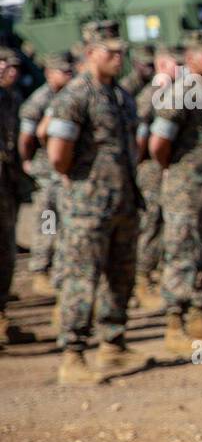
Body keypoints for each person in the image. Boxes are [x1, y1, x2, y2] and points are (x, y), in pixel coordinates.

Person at [45, 21, 153, 383]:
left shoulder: (121, 97)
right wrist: (81, 185)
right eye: (111, 52)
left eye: (121, 51)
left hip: (123, 201)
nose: (118, 58)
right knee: (81, 277)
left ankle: (113, 343)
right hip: (87, 206)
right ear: (91, 53)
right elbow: (58, 155)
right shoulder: (75, 96)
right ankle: (73, 354)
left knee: (120, 275)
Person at [149, 31, 202, 356]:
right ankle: (174, 326)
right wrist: (178, 173)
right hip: (186, 192)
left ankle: (200, 320)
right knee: (183, 257)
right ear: (190, 58)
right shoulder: (180, 92)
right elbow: (159, 144)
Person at [18, 51, 75, 299]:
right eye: (63, 71)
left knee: (60, 222)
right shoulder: (39, 100)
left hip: (60, 172)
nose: (68, 74)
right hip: (46, 174)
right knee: (48, 221)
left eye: (69, 70)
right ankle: (41, 268)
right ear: (49, 73)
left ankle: (57, 269)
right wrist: (28, 161)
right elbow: (29, 137)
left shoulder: (67, 96)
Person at [132, 46, 178, 311]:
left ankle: (155, 274)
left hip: (164, 169)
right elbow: (140, 135)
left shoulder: (177, 91)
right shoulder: (153, 94)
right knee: (150, 224)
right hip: (150, 170)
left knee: (163, 223)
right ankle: (141, 280)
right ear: (161, 64)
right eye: (174, 63)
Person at [0, 48, 37, 350]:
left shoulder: (12, 99)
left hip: (6, 186)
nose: (10, 71)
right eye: (4, 65)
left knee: (6, 252)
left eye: (14, 66)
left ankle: (1, 318)